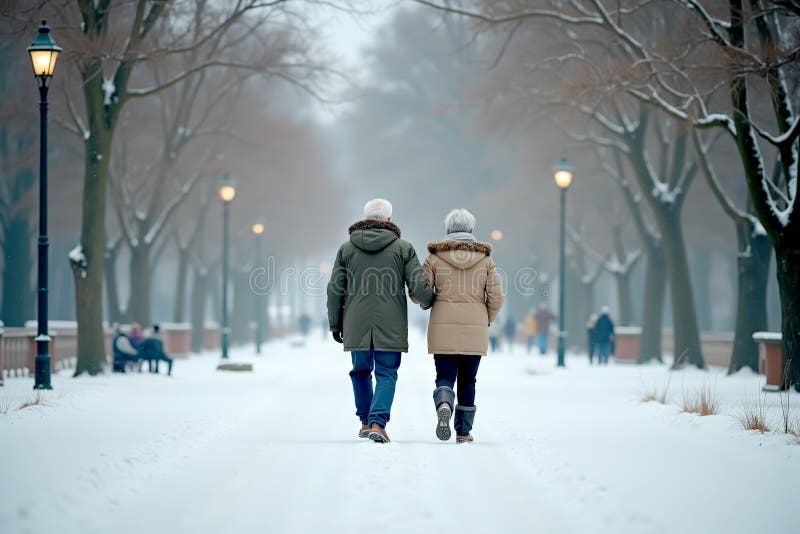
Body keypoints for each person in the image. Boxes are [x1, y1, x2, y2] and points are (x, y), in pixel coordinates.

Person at [327, 198, 434, 443]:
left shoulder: (347, 249)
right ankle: (377, 423)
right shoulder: (403, 248)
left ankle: (365, 422)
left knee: (360, 371)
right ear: (388, 219)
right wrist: (429, 300)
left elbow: (335, 289)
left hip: (356, 323)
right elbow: (418, 286)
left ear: (365, 218)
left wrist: (336, 323)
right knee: (386, 373)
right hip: (391, 323)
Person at [423, 209, 504, 443]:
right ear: (471, 231)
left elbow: (422, 291)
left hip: (442, 327)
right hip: (475, 327)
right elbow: (497, 297)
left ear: (447, 231)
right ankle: (463, 432)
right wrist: (485, 317)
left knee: (444, 375)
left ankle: (444, 403)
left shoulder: (434, 258)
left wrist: (430, 303)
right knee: (468, 380)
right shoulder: (486, 260)